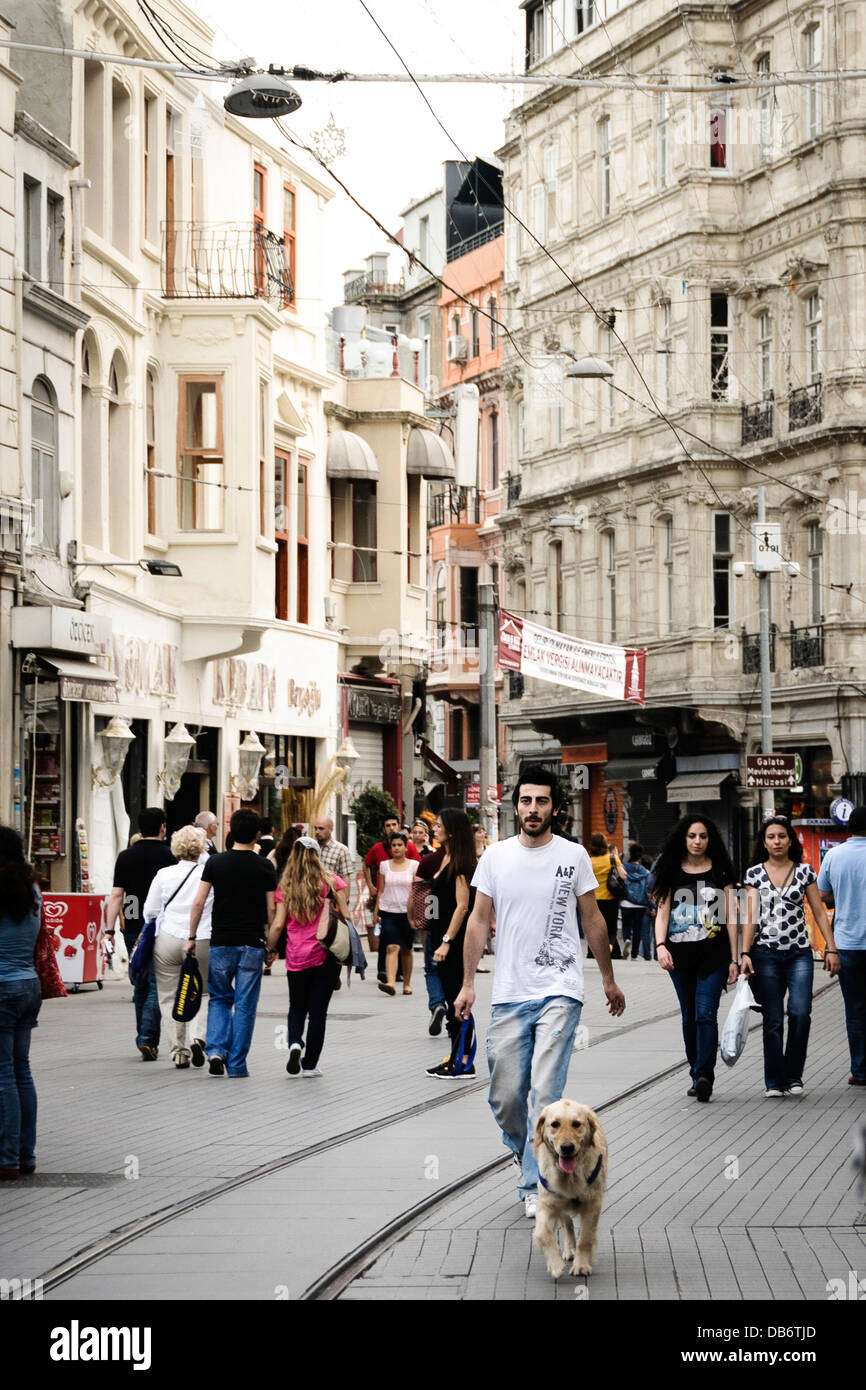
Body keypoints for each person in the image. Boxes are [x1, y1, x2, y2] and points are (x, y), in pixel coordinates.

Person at [454, 766, 625, 1218]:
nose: (533, 809)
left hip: (561, 988)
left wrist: (607, 977)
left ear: (555, 808)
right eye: (526, 801)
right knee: (507, 1097)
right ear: (516, 805)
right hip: (509, 991)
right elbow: (476, 919)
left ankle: (535, 1184)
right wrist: (469, 982)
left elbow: (592, 920)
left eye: (542, 802)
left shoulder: (574, 856)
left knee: (545, 1091)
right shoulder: (495, 857)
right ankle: (526, 1148)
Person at [742, 816, 838, 1097]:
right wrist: (744, 954)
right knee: (772, 1019)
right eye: (771, 837)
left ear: (790, 840)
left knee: (800, 1012)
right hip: (765, 954)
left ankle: (794, 1076)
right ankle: (774, 1081)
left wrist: (831, 948)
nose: (777, 842)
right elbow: (750, 917)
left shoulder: (805, 872)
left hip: (799, 953)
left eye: (782, 836)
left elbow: (819, 911)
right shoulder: (754, 875)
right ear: (764, 842)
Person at [652, 815, 738, 1103]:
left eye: (702, 836)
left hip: (715, 955)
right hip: (679, 957)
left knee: (705, 1013)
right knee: (689, 1016)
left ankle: (704, 1075)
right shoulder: (670, 870)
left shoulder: (722, 870)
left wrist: (735, 958)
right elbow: (663, 912)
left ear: (709, 839)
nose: (698, 841)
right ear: (684, 839)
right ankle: (695, 1070)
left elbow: (732, 917)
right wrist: (660, 945)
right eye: (692, 836)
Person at [186, 808, 276, 1078]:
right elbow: (272, 911)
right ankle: (236, 1064)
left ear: (230, 832)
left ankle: (215, 1049)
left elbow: (199, 902)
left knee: (219, 998)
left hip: (221, 941)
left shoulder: (215, 863)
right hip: (251, 942)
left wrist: (191, 937)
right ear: (258, 834)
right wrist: (272, 945)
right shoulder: (264, 866)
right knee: (245, 1004)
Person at [267, 837, 348, 1078]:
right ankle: (310, 1064)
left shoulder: (285, 886)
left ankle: (293, 1043)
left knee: (297, 1006)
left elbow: (278, 924)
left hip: (296, 956)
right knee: (318, 1012)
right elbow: (345, 915)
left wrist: (270, 948)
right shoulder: (331, 882)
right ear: (317, 855)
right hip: (325, 955)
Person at [104, 807, 175, 1060]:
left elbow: (115, 896)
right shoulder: (170, 856)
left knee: (141, 982)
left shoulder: (125, 857)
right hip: (163, 925)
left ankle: (144, 1037)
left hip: (133, 926)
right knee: (159, 983)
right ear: (163, 827)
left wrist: (109, 930)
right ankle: (147, 1037)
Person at [144, 826, 213, 1070]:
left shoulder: (164, 874)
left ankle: (179, 1051)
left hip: (169, 939)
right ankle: (198, 1037)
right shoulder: (209, 873)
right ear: (202, 847)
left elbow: (150, 911)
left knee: (169, 996)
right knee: (204, 992)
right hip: (203, 937)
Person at [0, 828, 42, 1179]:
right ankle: (26, 1154)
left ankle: (7, 1158)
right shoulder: (32, 890)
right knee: (21, 1070)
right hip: (29, 985)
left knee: (3, 1074)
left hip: (1, 988)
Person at [425, 809, 478, 1079]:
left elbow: (462, 906)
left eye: (439, 825)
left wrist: (446, 941)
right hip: (440, 939)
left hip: (454, 944)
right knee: (452, 997)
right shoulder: (446, 858)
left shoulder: (460, 864)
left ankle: (463, 1061)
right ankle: (457, 1056)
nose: (434, 829)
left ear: (453, 831)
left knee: (457, 999)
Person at [817, 805, 866, 1086]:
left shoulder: (834, 855)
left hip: (847, 945)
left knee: (856, 1010)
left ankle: (860, 1071)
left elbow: (823, 894)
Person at [364, 814, 421, 980]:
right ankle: (385, 973)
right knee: (387, 941)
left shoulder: (409, 848)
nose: (391, 828)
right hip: (386, 901)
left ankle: (402, 973)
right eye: (388, 825)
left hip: (405, 904)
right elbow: (366, 864)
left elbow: (418, 871)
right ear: (384, 829)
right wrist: (370, 885)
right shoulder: (377, 849)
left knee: (404, 944)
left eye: (394, 824)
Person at [372, 830, 419, 997]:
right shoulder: (384, 865)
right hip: (388, 910)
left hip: (407, 912)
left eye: (400, 845)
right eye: (394, 845)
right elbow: (381, 889)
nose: (397, 848)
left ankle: (406, 983)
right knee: (391, 946)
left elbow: (417, 889)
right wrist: (376, 910)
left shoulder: (414, 865)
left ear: (406, 847)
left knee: (406, 948)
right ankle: (390, 982)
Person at [589, 831, 627, 960]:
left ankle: (593, 951)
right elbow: (623, 875)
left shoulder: (590, 861)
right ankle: (610, 948)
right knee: (611, 927)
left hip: (594, 899)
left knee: (595, 926)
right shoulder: (612, 858)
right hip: (610, 898)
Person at [621, 843, 654, 961]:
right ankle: (634, 955)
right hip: (640, 905)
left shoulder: (623, 868)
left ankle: (626, 939)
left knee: (626, 926)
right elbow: (647, 891)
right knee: (637, 930)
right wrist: (651, 906)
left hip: (626, 902)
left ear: (630, 853)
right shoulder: (646, 872)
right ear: (641, 855)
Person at [313, 816, 353, 900]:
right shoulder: (311, 848)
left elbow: (345, 877)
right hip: (311, 898)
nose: (317, 831)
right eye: (315, 828)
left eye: (321, 828)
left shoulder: (341, 850)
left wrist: (344, 901)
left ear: (331, 829)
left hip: (331, 899)